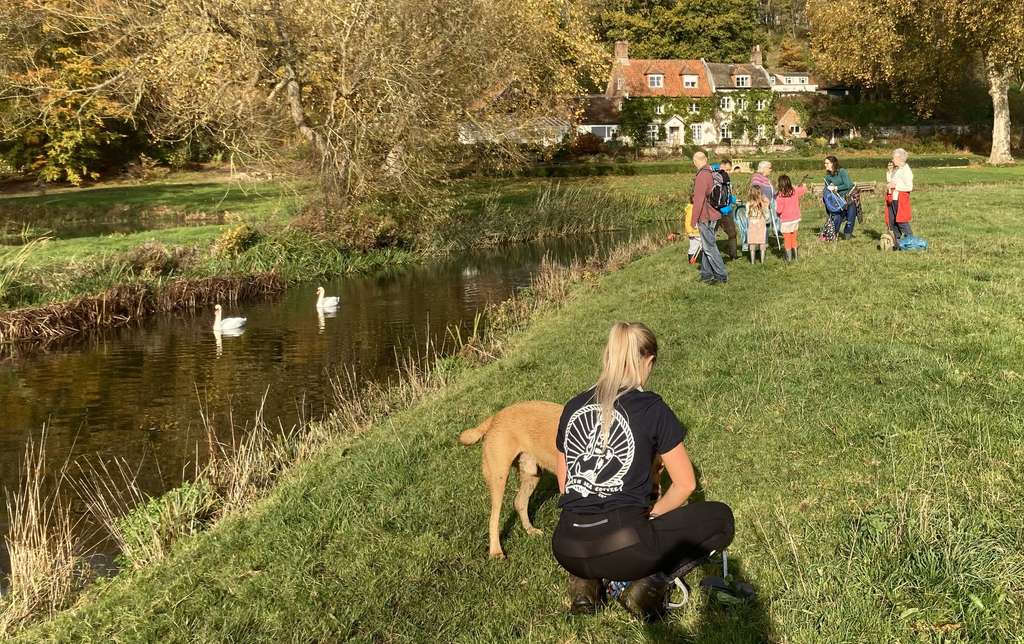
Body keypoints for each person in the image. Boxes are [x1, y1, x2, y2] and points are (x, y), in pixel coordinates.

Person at [551, 322, 735, 621]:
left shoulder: (572, 407)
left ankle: (585, 584)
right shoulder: (652, 408)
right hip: (626, 545)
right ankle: (645, 588)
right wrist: (654, 514)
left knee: (595, 534)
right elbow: (686, 484)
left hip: (567, 546)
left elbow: (566, 484)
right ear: (648, 361)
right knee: (721, 518)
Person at [691, 151, 727, 284]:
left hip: (705, 216)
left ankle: (721, 275)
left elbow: (699, 200)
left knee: (709, 247)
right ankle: (706, 274)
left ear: (695, 161)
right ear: (706, 159)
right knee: (707, 245)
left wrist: (693, 219)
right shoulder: (712, 172)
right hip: (716, 213)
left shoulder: (701, 176)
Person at [823, 155, 857, 240]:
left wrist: (836, 187)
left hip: (850, 197)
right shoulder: (828, 177)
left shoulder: (842, 172)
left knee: (850, 217)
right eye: (825, 163)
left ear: (833, 163)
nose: (825, 165)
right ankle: (833, 234)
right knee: (837, 216)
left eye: (827, 163)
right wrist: (827, 191)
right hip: (839, 200)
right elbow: (826, 189)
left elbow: (847, 185)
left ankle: (847, 235)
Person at [775, 174, 807, 262]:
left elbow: (779, 210)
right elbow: (804, 190)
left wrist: (777, 213)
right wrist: (802, 185)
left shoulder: (780, 196)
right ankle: (795, 258)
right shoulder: (794, 191)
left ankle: (789, 259)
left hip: (786, 221)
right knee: (794, 238)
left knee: (787, 239)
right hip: (795, 219)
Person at [712, 158, 739, 260]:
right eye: (727, 169)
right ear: (721, 166)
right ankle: (711, 256)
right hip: (716, 211)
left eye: (729, 170)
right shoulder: (713, 176)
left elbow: (727, 194)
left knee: (732, 233)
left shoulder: (726, 179)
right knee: (712, 234)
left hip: (726, 209)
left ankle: (734, 256)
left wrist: (734, 200)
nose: (728, 172)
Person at [886, 148, 914, 242]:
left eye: (893, 158)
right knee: (893, 220)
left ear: (899, 158)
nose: (892, 160)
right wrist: (890, 172)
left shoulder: (907, 171)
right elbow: (891, 181)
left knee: (901, 220)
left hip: (901, 199)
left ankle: (910, 239)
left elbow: (909, 187)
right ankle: (896, 240)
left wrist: (895, 186)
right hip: (893, 198)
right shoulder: (897, 169)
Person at [750, 160, 779, 237]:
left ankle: (764, 241)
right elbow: (755, 190)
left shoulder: (766, 179)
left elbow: (772, 192)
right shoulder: (756, 177)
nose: (771, 170)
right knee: (763, 225)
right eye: (769, 168)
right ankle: (760, 241)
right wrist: (764, 199)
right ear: (763, 168)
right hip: (761, 205)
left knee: (767, 225)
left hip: (769, 205)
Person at [745, 185, 769, 264]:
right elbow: (767, 216)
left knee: (752, 243)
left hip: (752, 225)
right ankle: (762, 261)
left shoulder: (748, 204)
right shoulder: (763, 204)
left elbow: (746, 215)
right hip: (761, 225)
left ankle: (752, 262)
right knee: (762, 243)